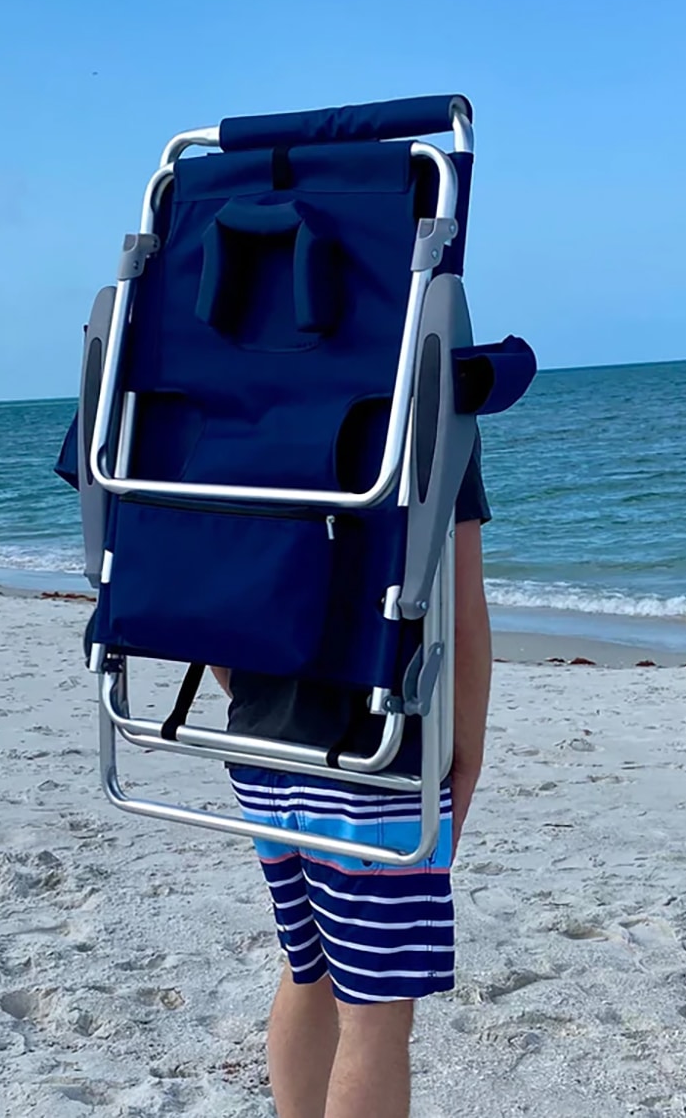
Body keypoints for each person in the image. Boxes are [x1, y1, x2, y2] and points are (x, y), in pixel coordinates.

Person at [209, 435, 494, 1118]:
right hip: (377, 745)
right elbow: (460, 597)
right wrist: (467, 750)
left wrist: (249, 699)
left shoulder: (220, 360)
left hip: (258, 729)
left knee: (309, 968)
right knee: (374, 1014)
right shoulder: (419, 358)